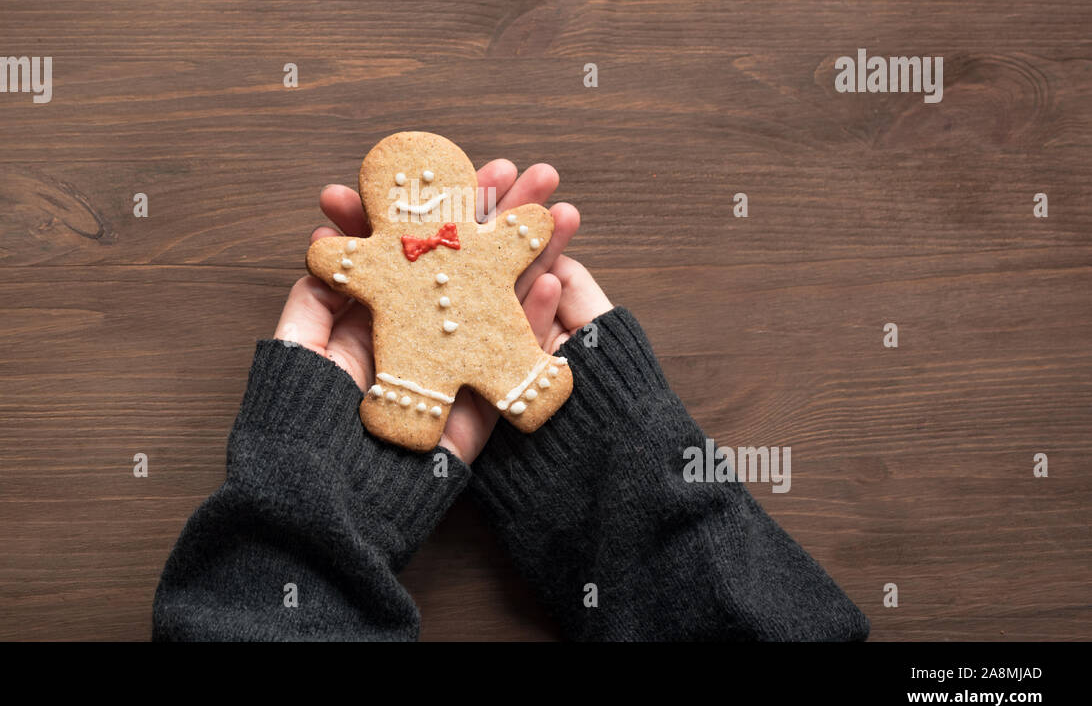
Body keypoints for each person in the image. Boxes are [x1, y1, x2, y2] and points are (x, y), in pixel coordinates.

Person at [152, 159, 870, 641]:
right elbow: (343, 260)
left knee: (513, 375)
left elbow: (514, 236)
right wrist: (646, 516)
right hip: (410, 366)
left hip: (494, 343)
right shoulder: (385, 251)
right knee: (415, 387)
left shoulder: (475, 238)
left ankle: (524, 390)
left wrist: (304, 516)